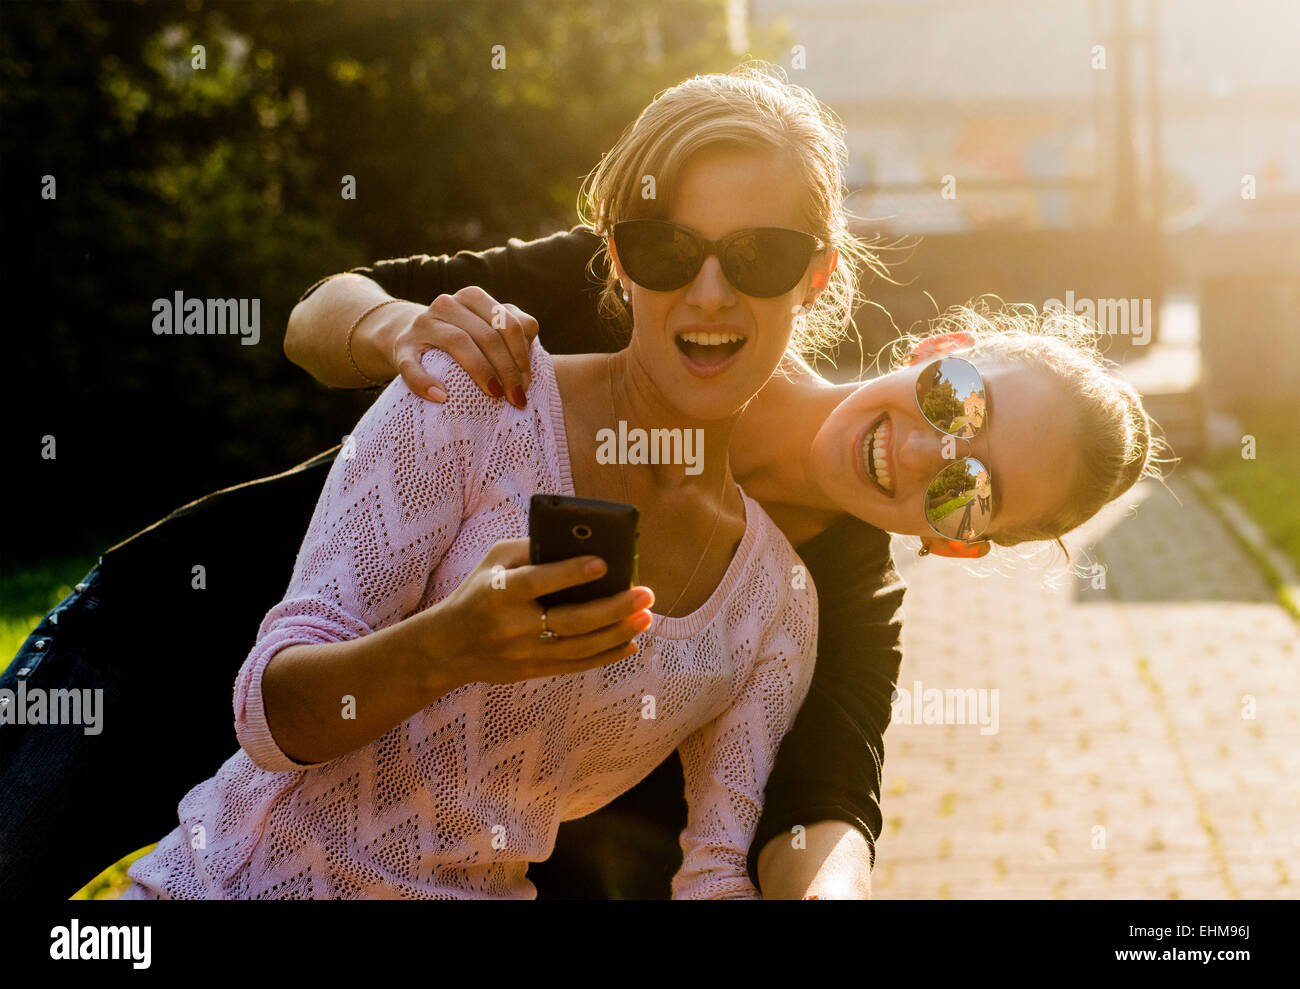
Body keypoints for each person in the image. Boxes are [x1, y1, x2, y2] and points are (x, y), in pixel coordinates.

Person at [115, 64, 869, 899]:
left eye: (761, 256)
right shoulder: (475, 397)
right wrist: (450, 646)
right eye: (668, 251)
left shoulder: (775, 605)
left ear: (817, 275)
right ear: (617, 259)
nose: (712, 292)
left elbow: (716, 875)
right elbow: (268, 716)